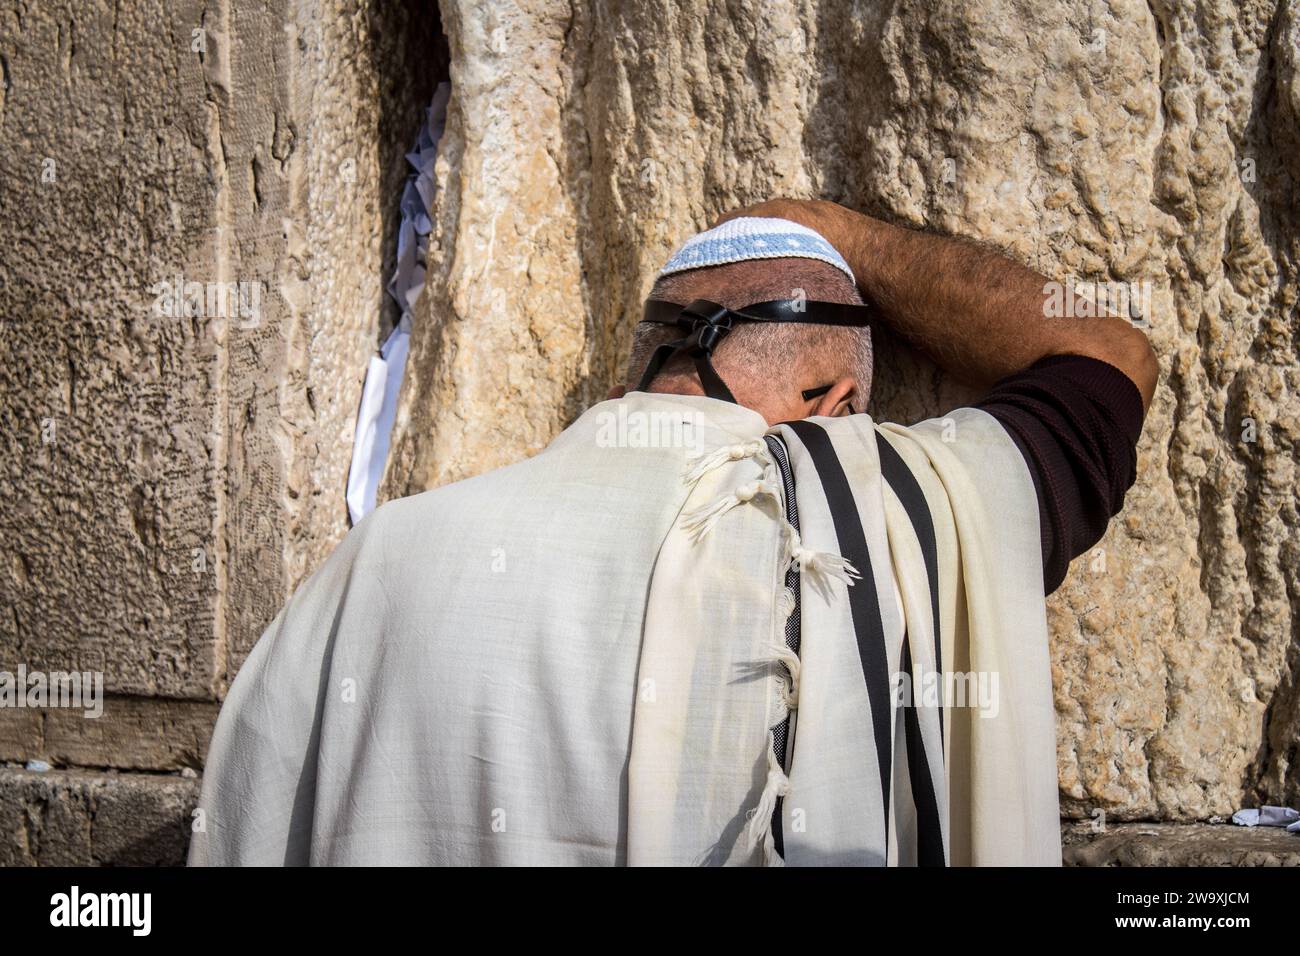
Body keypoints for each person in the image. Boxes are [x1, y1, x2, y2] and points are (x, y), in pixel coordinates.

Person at [189, 199, 1157, 866]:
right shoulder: (874, 519)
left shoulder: (381, 561)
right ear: (839, 402)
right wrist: (830, 230)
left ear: (637, 370)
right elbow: (1105, 355)